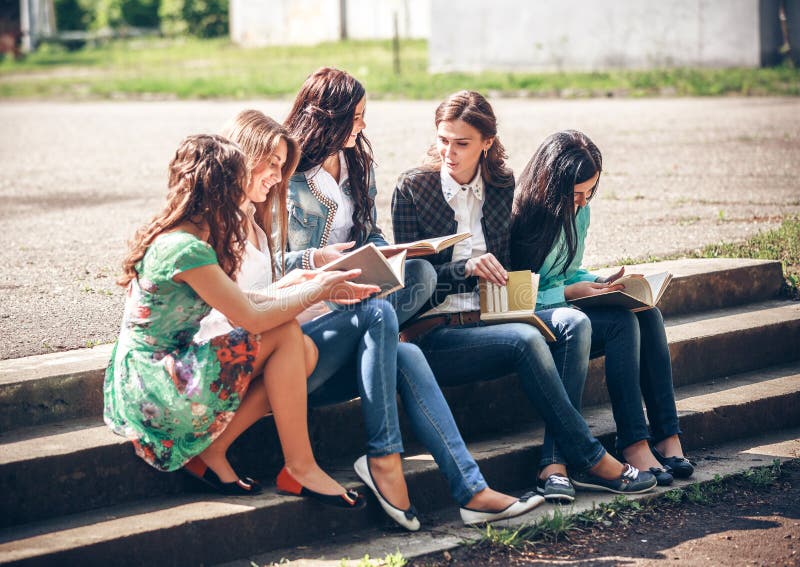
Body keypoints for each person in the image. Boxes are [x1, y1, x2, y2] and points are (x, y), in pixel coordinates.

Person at [196, 109, 542, 529]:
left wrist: (320, 281)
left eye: (280, 165)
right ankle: (383, 458)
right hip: (252, 358)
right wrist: (316, 283)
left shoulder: (256, 217)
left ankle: (470, 490)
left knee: (405, 352)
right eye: (269, 163)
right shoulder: (212, 227)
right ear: (240, 155)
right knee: (377, 314)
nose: (276, 174)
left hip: (286, 351)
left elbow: (267, 294)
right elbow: (232, 312)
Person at [391, 91, 658, 501]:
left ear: (486, 143)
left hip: (496, 315)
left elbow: (514, 268)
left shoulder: (500, 184)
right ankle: (590, 458)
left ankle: (553, 466)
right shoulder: (413, 187)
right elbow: (411, 287)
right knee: (527, 338)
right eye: (444, 140)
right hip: (438, 331)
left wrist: (571, 289)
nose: (449, 152)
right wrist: (463, 269)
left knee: (573, 322)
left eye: (462, 143)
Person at [104, 134, 375, 508]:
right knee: (286, 335)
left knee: (299, 351)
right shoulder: (186, 249)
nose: (244, 194)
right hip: (155, 386)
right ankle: (300, 465)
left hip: (150, 372)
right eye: (237, 184)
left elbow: (242, 301)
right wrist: (319, 291)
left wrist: (302, 283)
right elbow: (250, 317)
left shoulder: (183, 237)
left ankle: (216, 450)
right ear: (219, 190)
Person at [509, 129, 694, 484]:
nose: (582, 202)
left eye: (589, 192)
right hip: (536, 319)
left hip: (566, 305)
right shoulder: (520, 214)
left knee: (646, 312)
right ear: (550, 185)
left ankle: (668, 437)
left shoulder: (580, 211)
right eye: (576, 194)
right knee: (621, 324)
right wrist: (570, 293)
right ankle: (633, 443)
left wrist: (601, 283)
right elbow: (517, 296)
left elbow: (567, 269)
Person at [282, 67, 436, 325]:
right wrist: (315, 259)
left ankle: (362, 327)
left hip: (356, 283)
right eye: (355, 118)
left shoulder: (358, 165)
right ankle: (361, 329)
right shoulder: (286, 175)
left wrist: (388, 255)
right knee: (380, 313)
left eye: (362, 115)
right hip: (312, 292)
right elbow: (270, 264)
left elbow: (370, 232)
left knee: (422, 273)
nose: (362, 125)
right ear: (330, 120)